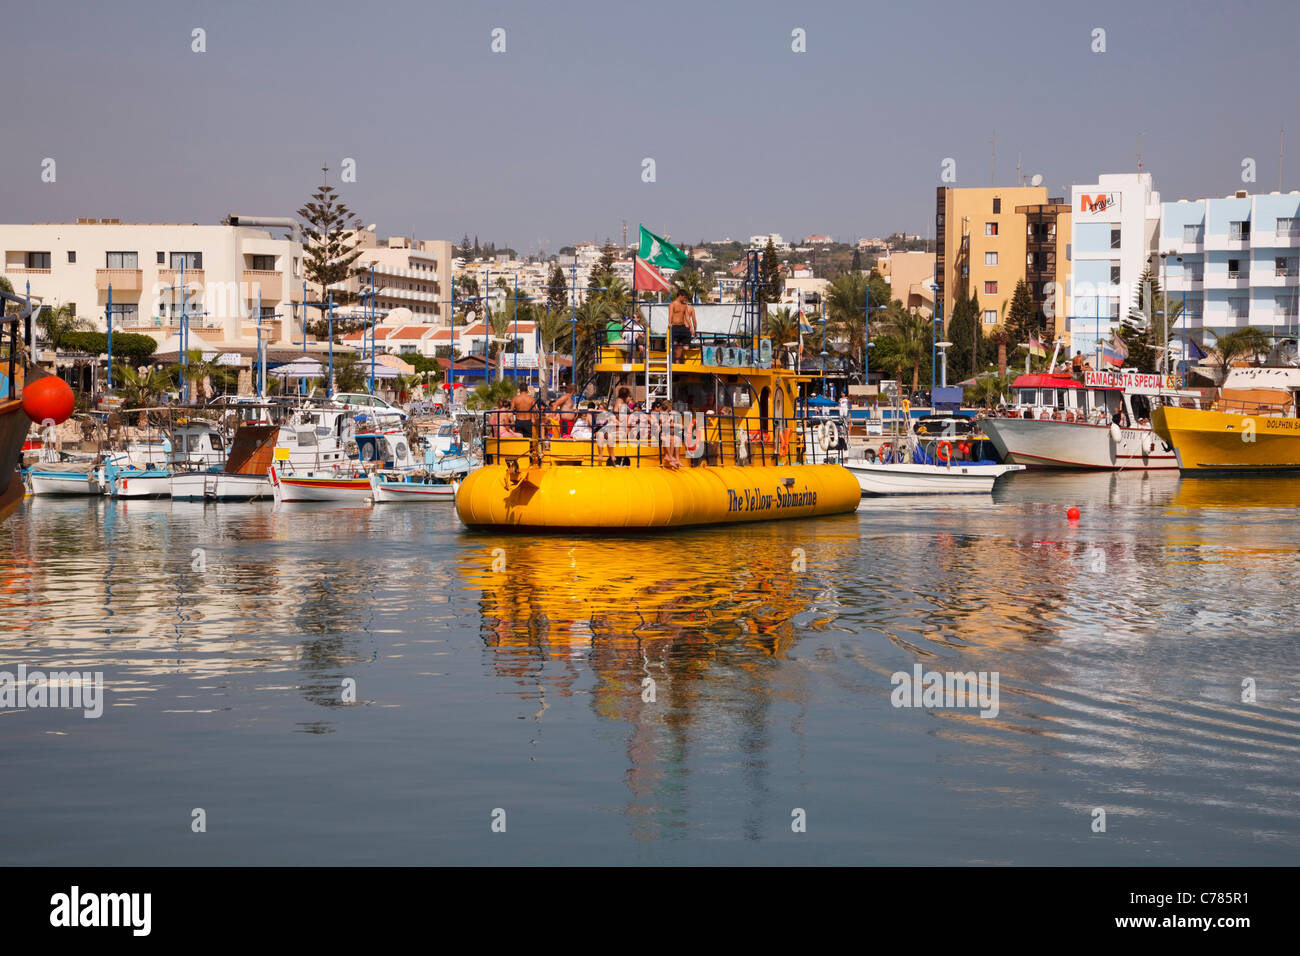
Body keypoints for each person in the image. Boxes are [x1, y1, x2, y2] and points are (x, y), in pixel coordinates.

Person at [668, 289, 696, 363]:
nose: (685, 299)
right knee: (674, 345)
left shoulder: (684, 306)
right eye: (684, 297)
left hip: (682, 326)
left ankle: (677, 362)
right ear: (680, 296)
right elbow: (670, 315)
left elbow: (687, 317)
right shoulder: (672, 304)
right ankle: (673, 361)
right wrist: (669, 323)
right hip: (674, 326)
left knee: (681, 345)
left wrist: (691, 328)